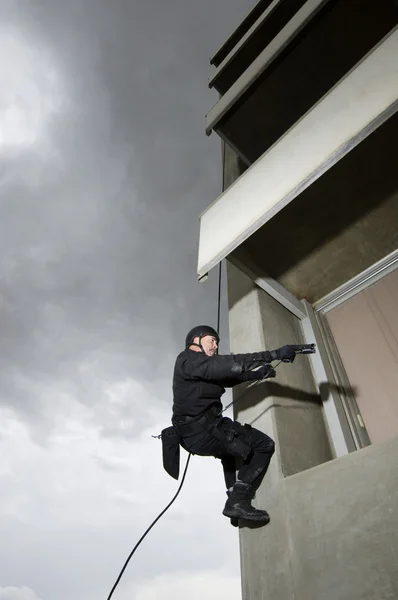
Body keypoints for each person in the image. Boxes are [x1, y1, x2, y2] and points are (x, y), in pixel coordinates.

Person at [168, 325, 297, 526]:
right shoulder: (188, 359)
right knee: (264, 445)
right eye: (212, 340)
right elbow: (230, 364)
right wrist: (274, 354)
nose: (216, 345)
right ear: (196, 340)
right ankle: (238, 501)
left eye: (217, 342)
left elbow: (229, 377)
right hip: (204, 432)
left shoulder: (197, 366)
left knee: (229, 454)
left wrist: (258, 374)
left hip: (195, 436)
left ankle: (232, 497)